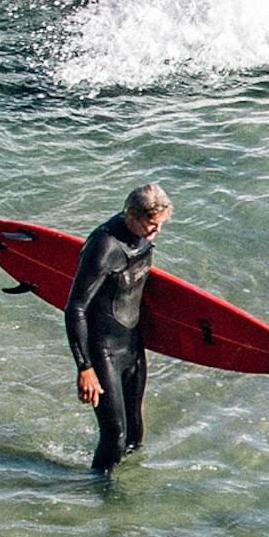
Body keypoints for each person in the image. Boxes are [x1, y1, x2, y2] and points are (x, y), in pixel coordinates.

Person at [66, 182, 170, 473]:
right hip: (104, 352)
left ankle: (127, 481)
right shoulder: (104, 246)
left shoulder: (143, 237)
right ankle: (100, 492)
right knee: (114, 436)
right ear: (131, 216)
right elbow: (75, 309)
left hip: (132, 346)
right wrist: (85, 368)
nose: (157, 231)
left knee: (134, 433)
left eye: (161, 225)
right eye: (152, 225)